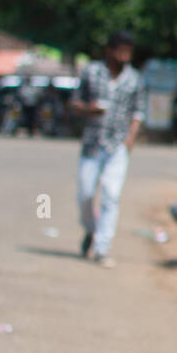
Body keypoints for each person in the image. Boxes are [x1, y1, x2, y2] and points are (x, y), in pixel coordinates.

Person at [70, 31, 146, 268]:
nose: (125, 55)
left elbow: (138, 113)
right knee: (85, 194)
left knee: (111, 196)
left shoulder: (134, 79)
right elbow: (74, 103)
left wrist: (130, 140)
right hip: (92, 144)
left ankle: (103, 248)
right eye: (121, 50)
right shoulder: (92, 72)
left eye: (128, 51)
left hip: (118, 146)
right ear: (110, 50)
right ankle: (91, 230)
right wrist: (88, 109)